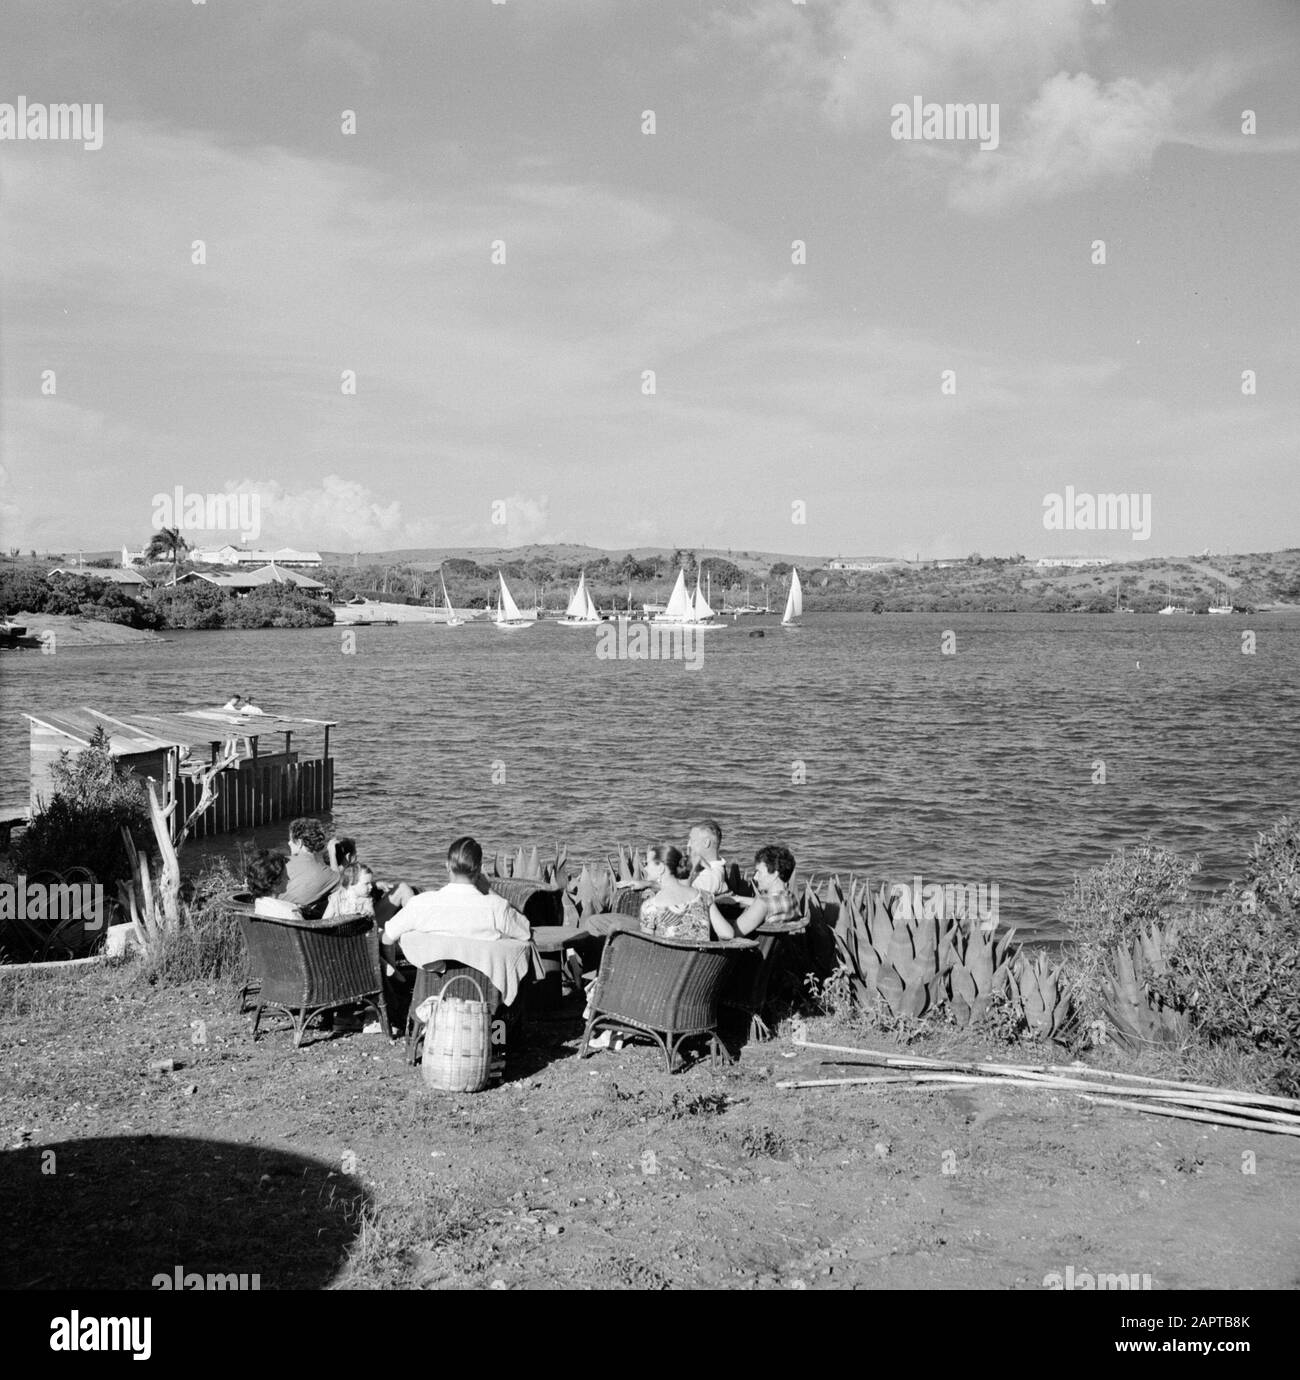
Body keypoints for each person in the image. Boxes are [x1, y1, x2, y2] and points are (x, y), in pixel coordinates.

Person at [381, 836, 529, 954]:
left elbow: (387, 938)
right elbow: (525, 931)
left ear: (447, 866)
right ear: (479, 870)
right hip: (484, 987)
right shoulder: (496, 907)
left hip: (434, 988)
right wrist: (489, 889)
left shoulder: (421, 904)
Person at [638, 843, 731, 942]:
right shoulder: (705, 896)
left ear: (661, 867)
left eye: (646, 863)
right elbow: (727, 934)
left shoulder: (650, 907)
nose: (645, 868)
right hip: (703, 956)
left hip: (667, 957)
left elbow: (647, 947)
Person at [723, 845, 799, 937]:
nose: (755, 877)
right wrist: (738, 899)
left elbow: (730, 934)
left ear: (775, 874)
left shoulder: (762, 904)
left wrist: (710, 906)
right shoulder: (790, 898)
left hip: (746, 947)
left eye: (759, 872)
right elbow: (770, 903)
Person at [282, 818, 340, 917]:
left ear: (300, 842)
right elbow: (339, 881)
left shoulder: (282, 862)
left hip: (272, 915)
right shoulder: (325, 873)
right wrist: (332, 854)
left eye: (291, 840)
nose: (289, 843)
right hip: (298, 922)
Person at [244, 850, 302, 919]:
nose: (288, 878)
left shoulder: (259, 906)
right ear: (274, 883)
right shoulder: (291, 914)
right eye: (285, 875)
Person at [686, 819, 728, 897]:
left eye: (692, 840)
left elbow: (683, 893)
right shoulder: (706, 868)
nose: (688, 845)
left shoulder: (711, 878)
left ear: (706, 843)